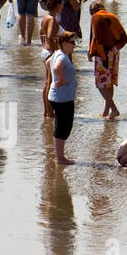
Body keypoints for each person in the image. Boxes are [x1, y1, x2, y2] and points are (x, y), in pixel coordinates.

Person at [88, 0, 127, 119]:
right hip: (115, 52)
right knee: (109, 82)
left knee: (100, 84)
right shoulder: (112, 16)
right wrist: (115, 49)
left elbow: (96, 38)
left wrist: (91, 53)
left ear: (93, 11)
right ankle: (106, 111)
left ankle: (114, 109)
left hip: (103, 53)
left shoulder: (96, 17)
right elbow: (123, 37)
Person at [48, 31, 80, 165]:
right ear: (64, 43)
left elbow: (48, 62)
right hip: (62, 98)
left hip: (59, 97)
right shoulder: (62, 56)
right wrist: (60, 80)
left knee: (63, 127)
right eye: (72, 42)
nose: (74, 45)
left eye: (75, 42)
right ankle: (60, 158)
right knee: (63, 128)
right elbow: (56, 67)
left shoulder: (57, 53)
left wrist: (53, 79)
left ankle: (60, 156)